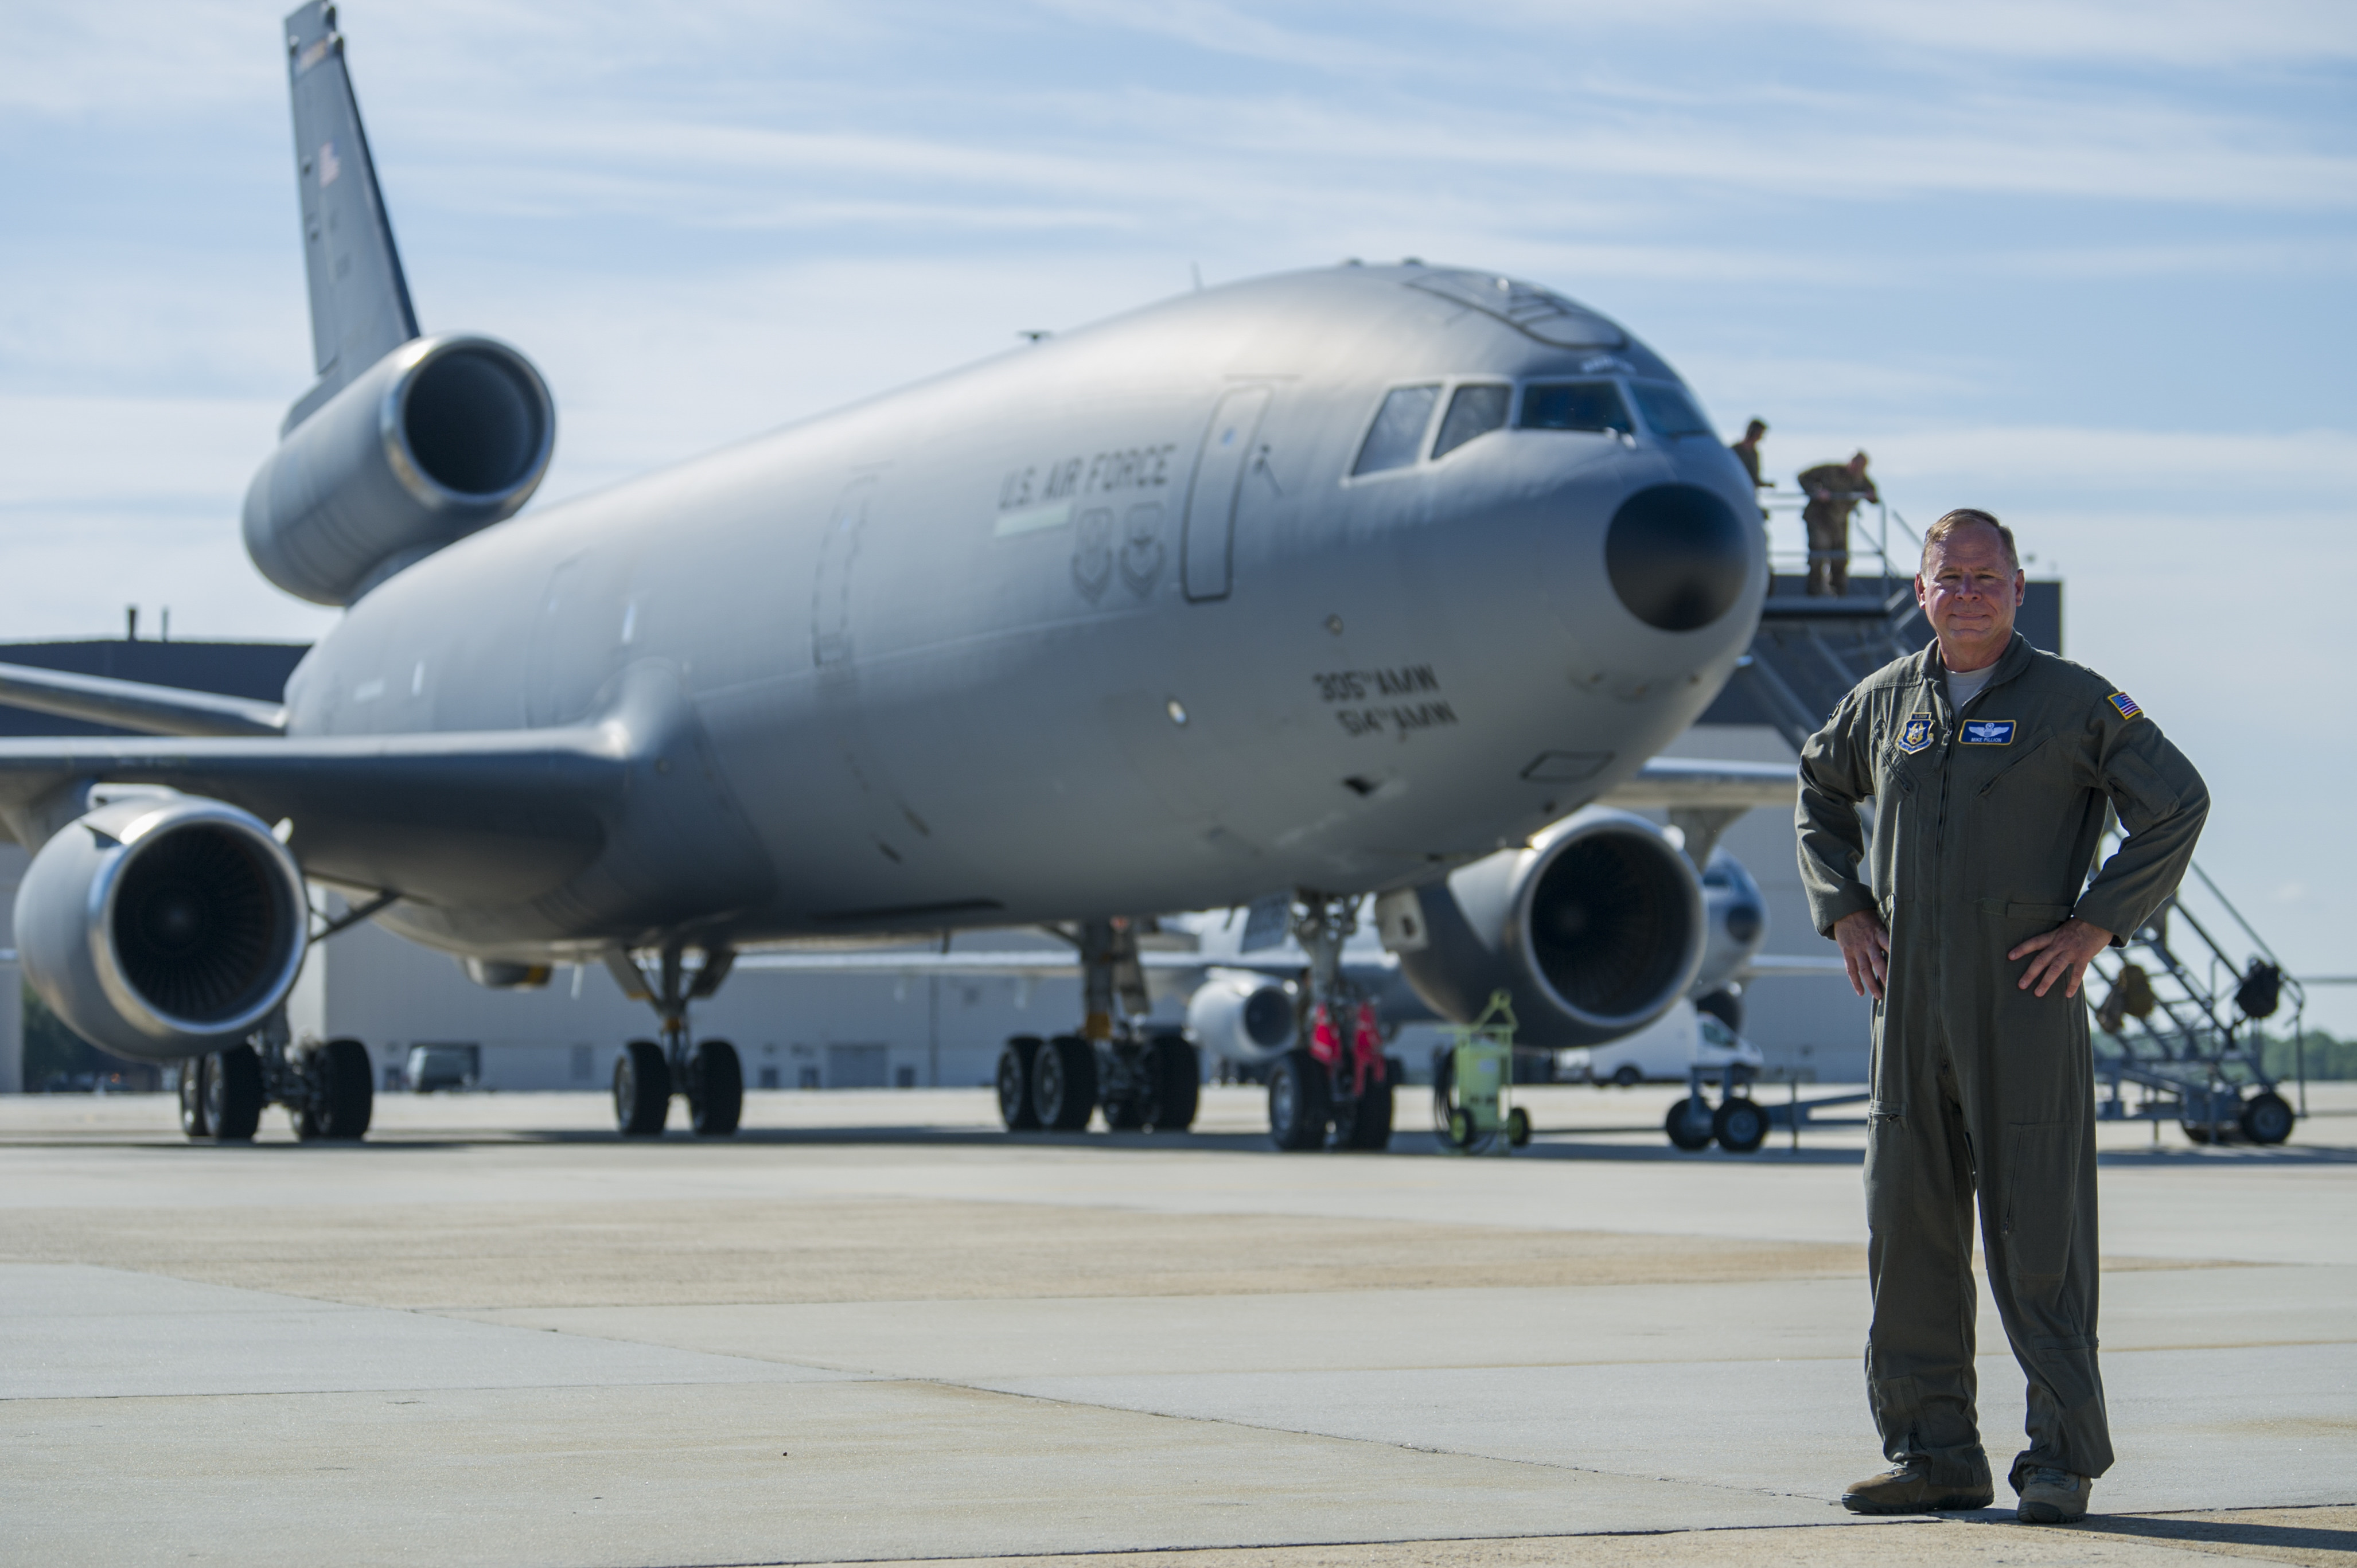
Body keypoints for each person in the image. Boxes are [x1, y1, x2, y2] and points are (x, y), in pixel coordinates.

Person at [1794, 509, 2208, 1526]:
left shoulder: (2071, 701)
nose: (1967, 593)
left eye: (1987, 577)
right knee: (1908, 1231)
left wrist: (2094, 926)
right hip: (1904, 1010)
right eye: (1949, 577)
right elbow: (1816, 786)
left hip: (2023, 999)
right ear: (1921, 589)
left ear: (2017, 589)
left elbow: (2176, 801)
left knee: (2038, 1237)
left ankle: (2059, 1457)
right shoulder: (1885, 701)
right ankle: (1933, 1451)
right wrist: (1842, 905)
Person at [1798, 451, 1877, 596]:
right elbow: (1803, 477)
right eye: (1855, 463)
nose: (1856, 468)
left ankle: (1839, 593)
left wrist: (1870, 496)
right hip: (1819, 518)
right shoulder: (1831, 470)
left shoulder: (1860, 479)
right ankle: (1814, 593)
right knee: (1818, 553)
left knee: (1840, 557)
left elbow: (1873, 494)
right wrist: (1817, 491)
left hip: (1839, 523)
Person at [1729, 419, 1770, 518]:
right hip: (1736, 495)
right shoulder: (1734, 451)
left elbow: (1755, 478)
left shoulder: (1755, 454)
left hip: (1749, 495)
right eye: (1760, 433)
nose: (1761, 437)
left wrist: (1765, 484)